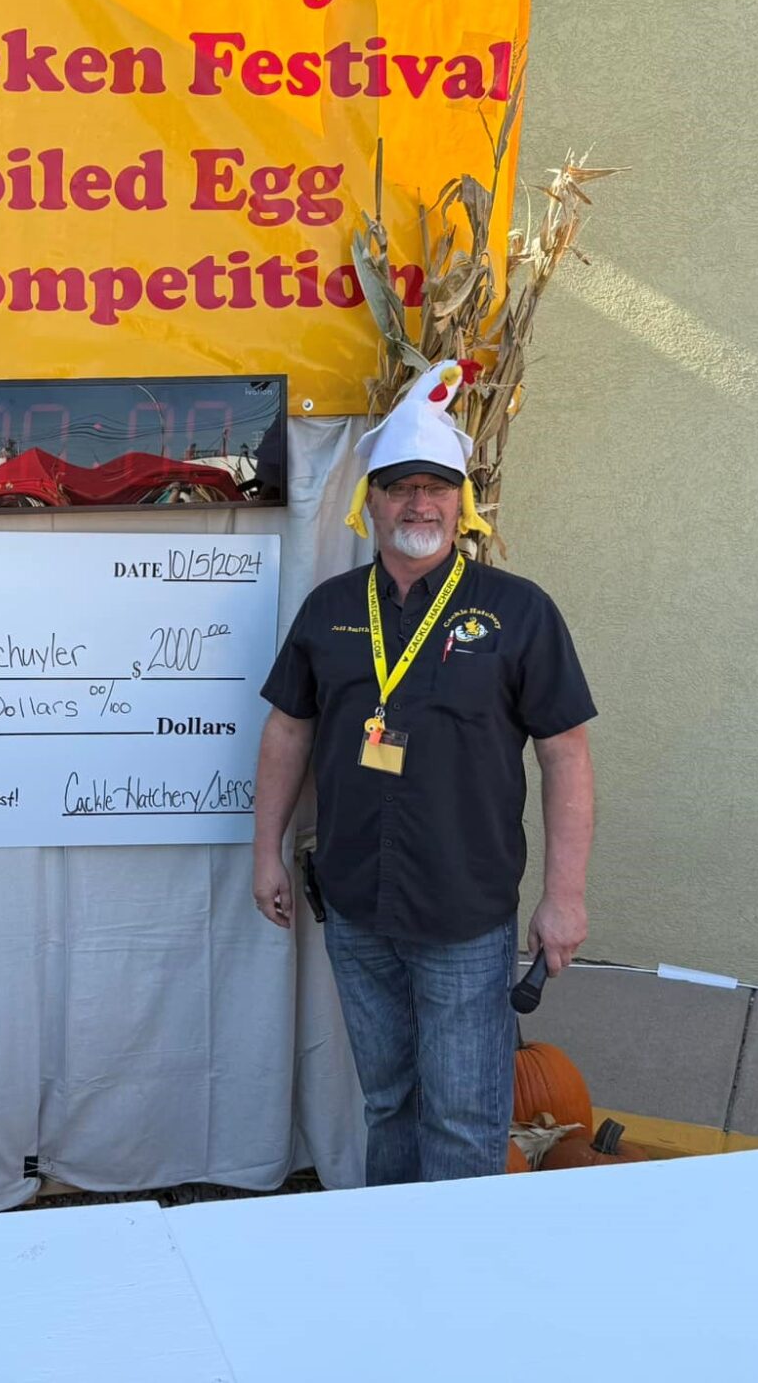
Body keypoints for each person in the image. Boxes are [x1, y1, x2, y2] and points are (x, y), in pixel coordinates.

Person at [251, 360, 596, 1184]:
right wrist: (264, 852)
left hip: (464, 911)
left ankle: (463, 1283)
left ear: (460, 502)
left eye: (437, 487)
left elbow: (566, 755)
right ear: (367, 502)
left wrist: (564, 895)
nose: (419, 503)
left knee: (465, 1116)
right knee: (387, 1102)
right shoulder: (331, 609)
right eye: (399, 487)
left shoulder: (518, 611)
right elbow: (287, 733)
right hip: (357, 904)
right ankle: (390, 1262)